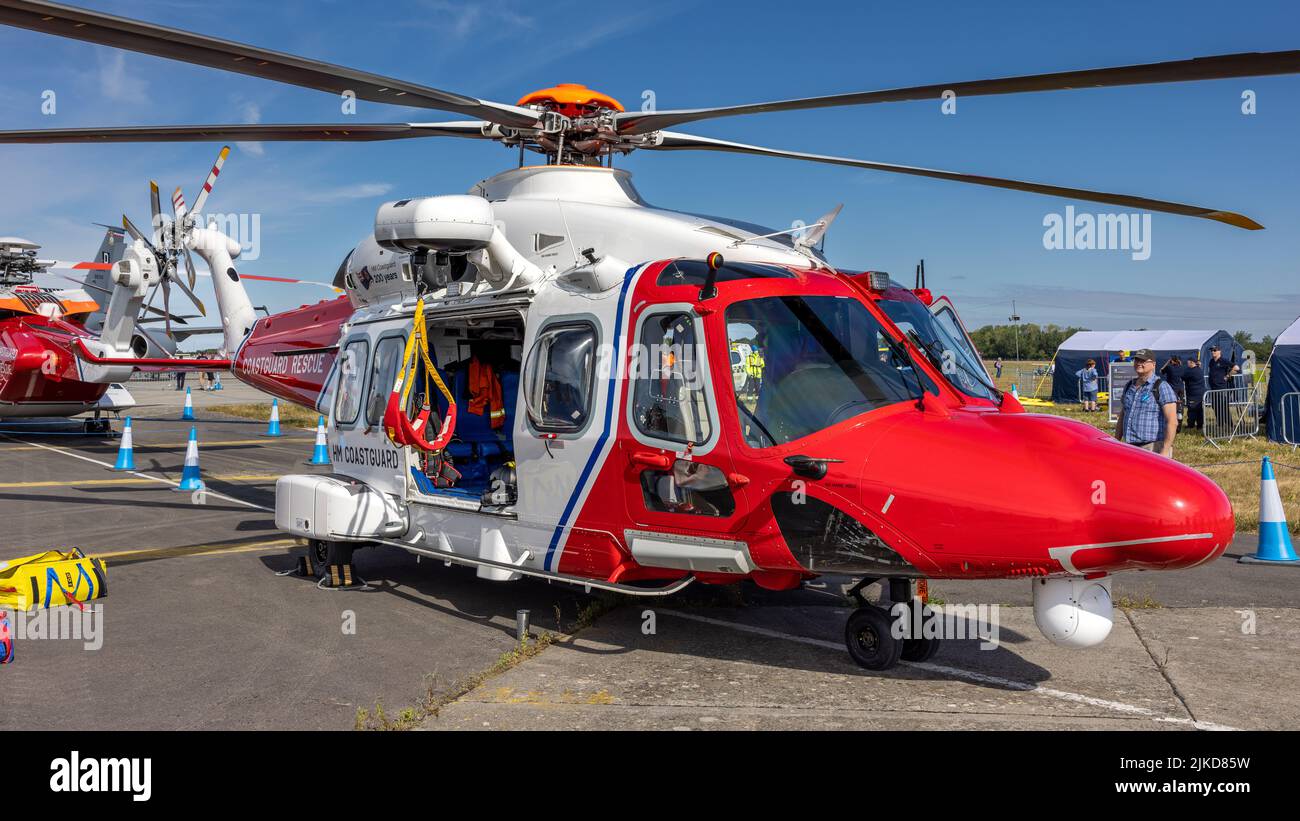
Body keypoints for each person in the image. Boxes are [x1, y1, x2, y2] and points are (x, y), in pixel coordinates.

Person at [1115, 349, 1178, 457]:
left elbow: (1172, 422)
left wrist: (1165, 451)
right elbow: (1123, 415)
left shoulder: (1162, 386)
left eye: (1143, 361)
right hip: (1130, 447)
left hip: (1153, 448)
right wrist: (1116, 442)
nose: (1139, 363)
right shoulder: (1129, 386)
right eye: (1137, 360)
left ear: (1153, 364)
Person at [1206, 346, 1239, 430]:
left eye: (1214, 350)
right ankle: (1220, 424)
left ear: (1219, 351)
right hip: (1213, 387)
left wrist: (1227, 376)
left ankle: (1230, 425)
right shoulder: (1211, 361)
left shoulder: (1223, 360)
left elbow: (1236, 368)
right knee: (1215, 406)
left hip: (1221, 387)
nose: (1213, 352)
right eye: (1212, 351)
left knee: (1223, 406)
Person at [1160, 355, 1185, 431]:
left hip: (1172, 389)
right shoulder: (1182, 368)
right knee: (1180, 408)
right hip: (1180, 389)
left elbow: (1161, 371)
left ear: (1172, 361)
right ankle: (1179, 426)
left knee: (1173, 408)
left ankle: (1173, 425)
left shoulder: (1169, 367)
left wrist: (1167, 362)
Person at [1182, 357, 1204, 430]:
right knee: (1199, 410)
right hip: (1200, 393)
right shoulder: (1199, 369)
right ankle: (1200, 426)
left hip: (1193, 394)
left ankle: (1190, 425)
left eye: (1188, 362)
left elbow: (1182, 377)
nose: (1187, 364)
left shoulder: (1191, 371)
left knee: (1192, 410)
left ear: (1192, 362)